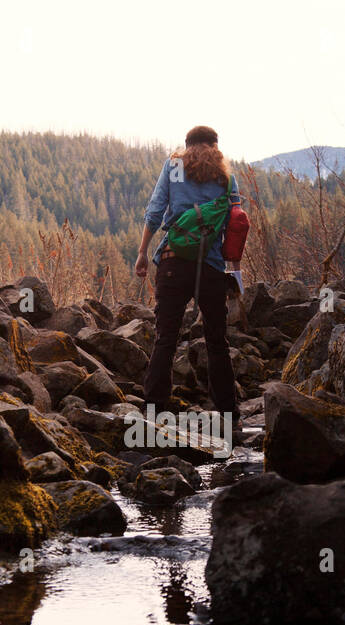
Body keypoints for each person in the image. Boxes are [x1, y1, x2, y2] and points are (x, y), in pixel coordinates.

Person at [134, 125, 241, 428]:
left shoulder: (175, 167)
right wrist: (234, 273)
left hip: (173, 262)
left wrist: (143, 252)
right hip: (210, 266)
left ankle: (155, 413)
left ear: (187, 145)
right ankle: (229, 417)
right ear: (215, 147)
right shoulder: (226, 178)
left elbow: (155, 211)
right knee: (217, 342)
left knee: (165, 338)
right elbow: (235, 226)